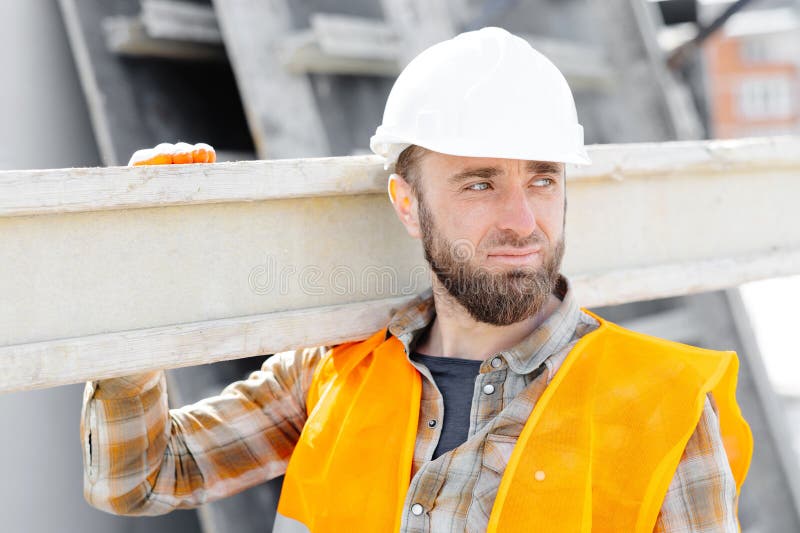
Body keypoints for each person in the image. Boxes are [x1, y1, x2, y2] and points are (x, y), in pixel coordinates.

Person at [82, 27, 752, 532]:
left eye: (542, 179)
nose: (522, 220)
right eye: (481, 183)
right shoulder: (333, 373)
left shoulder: (666, 409)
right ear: (408, 204)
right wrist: (147, 264)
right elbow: (137, 479)